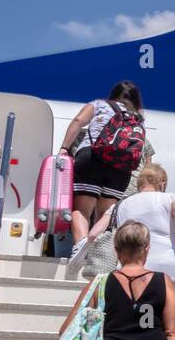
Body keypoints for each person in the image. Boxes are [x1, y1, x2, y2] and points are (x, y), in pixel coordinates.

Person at [79, 164, 175, 298]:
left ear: (139, 184)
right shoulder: (169, 198)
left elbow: (93, 234)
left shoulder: (120, 205)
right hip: (169, 271)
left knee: (134, 317)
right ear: (162, 183)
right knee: (167, 317)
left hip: (130, 273)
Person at [58, 80, 146, 251]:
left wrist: (64, 148)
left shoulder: (99, 104)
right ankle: (95, 257)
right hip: (120, 168)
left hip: (92, 157)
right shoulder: (138, 118)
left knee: (82, 210)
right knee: (104, 215)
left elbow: (78, 121)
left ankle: (80, 248)